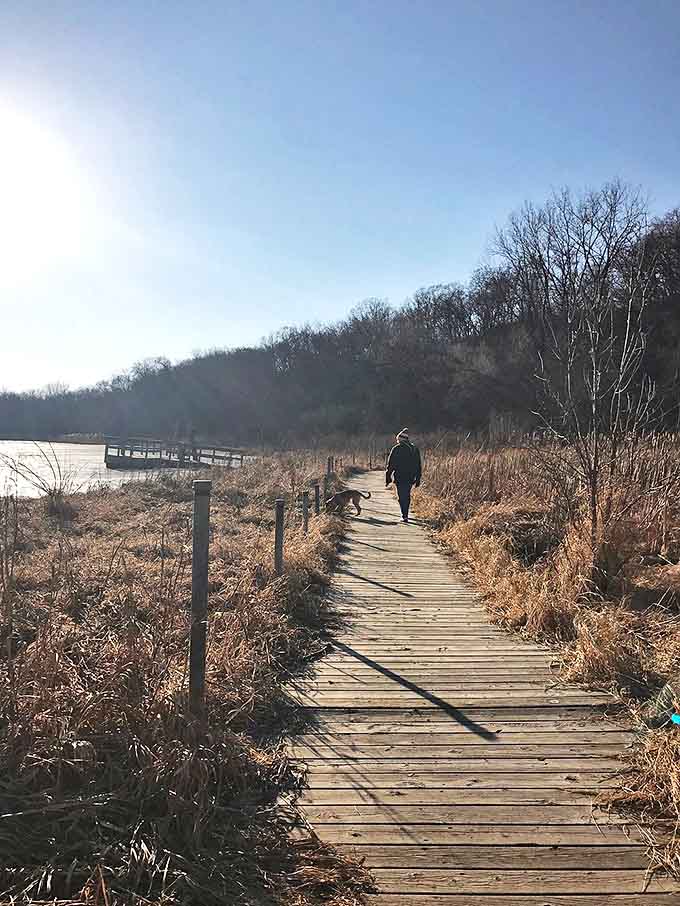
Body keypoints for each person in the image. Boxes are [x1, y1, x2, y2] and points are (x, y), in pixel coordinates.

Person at [385, 428, 422, 523]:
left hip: (400, 476)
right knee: (407, 495)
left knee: (401, 496)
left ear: (401, 439)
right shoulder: (414, 449)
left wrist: (388, 477)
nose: (397, 441)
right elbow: (418, 465)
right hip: (411, 476)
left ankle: (404, 515)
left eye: (398, 439)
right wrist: (418, 479)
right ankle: (405, 514)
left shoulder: (396, 448)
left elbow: (391, 465)